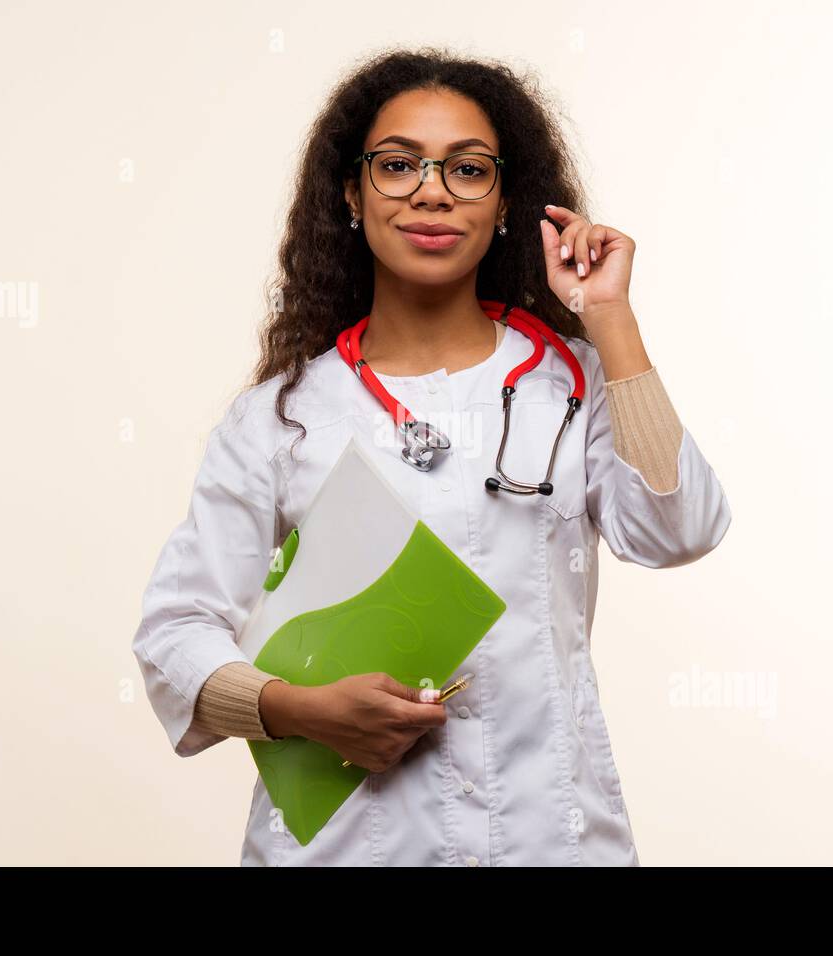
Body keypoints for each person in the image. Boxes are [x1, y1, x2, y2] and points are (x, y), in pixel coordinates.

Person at [131, 47, 732, 866]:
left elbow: (678, 528)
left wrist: (609, 318)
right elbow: (176, 633)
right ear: (351, 192)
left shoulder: (572, 380)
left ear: (506, 201)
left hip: (550, 836)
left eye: (468, 169)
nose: (432, 190)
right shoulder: (285, 416)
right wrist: (297, 708)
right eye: (398, 164)